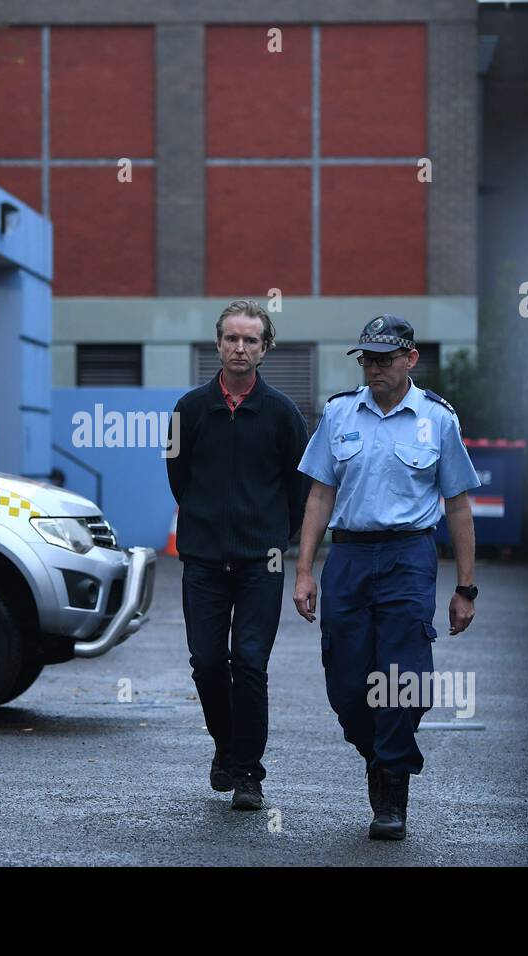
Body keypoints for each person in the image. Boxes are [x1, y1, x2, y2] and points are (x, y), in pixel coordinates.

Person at [293, 314, 480, 839]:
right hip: (349, 558)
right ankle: (377, 755)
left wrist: (466, 587)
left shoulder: (437, 419)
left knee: (404, 675)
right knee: (348, 684)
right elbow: (320, 495)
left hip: (408, 556)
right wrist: (304, 571)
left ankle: (392, 786)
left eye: (384, 358)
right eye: (367, 359)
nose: (373, 367)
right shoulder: (337, 414)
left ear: (410, 359)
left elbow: (459, 506)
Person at [166, 300, 310, 810]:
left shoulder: (283, 415)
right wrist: (205, 526)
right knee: (207, 663)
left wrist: (276, 539)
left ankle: (248, 771)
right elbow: (178, 479)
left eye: (251, 340)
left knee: (248, 663)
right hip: (203, 559)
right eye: (232, 338)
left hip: (260, 562)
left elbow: (300, 489)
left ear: (265, 348)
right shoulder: (187, 410)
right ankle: (226, 747)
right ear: (217, 344)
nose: (240, 348)